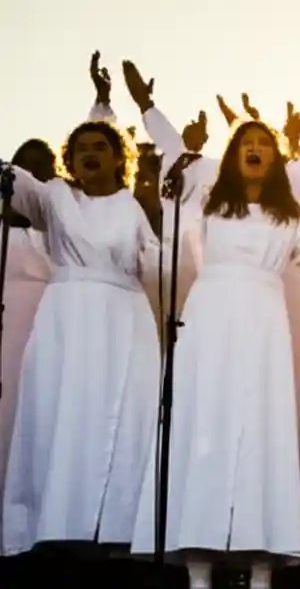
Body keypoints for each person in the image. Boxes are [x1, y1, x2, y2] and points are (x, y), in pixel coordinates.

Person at [127, 60, 300, 589]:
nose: (256, 147)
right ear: (233, 155)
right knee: (203, 426)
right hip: (210, 323)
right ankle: (199, 568)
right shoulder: (209, 193)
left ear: (274, 158)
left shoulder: (287, 218)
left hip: (263, 330)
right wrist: (146, 108)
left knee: (262, 432)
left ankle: (261, 567)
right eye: (246, 141)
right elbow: (172, 150)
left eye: (265, 142)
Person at [1, 109, 160, 558]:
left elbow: (160, 264)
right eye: (81, 148)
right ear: (68, 160)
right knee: (61, 413)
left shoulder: (132, 207)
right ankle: (52, 526)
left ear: (117, 159)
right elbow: (15, 180)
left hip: (122, 319)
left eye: (100, 147)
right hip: (67, 321)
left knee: (120, 417)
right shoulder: (54, 197)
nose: (90, 154)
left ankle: (115, 529)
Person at [0, 140, 56, 545]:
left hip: (48, 330)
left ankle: (36, 529)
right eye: (26, 168)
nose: (34, 175)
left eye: (44, 168)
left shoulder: (60, 229)